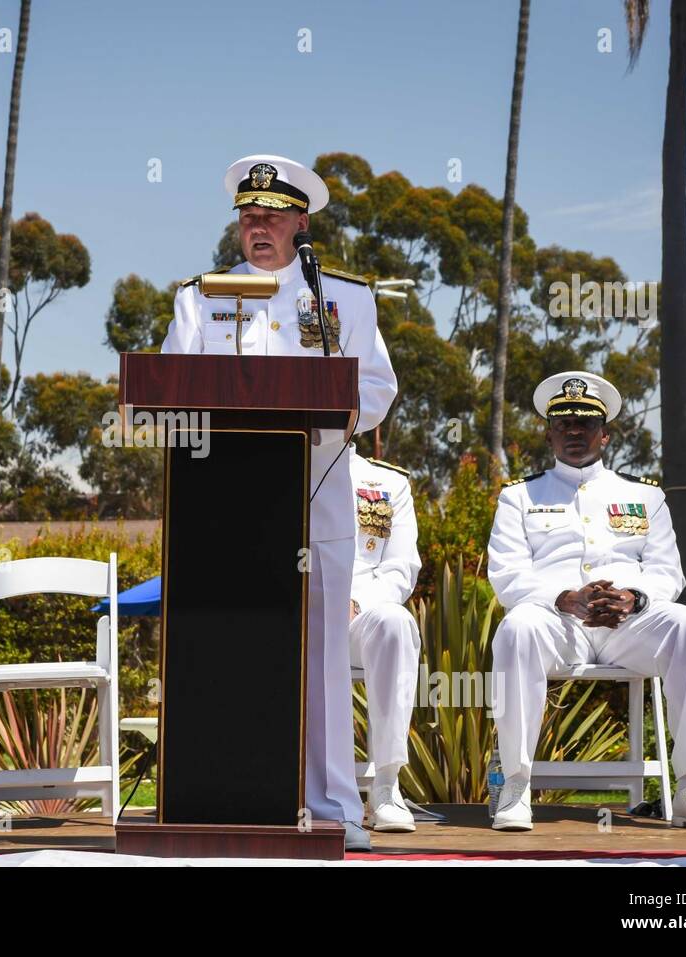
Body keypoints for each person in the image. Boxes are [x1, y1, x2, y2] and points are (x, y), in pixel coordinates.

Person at [161, 155, 399, 850]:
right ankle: (221, 794)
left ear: (301, 222)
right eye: (247, 215)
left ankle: (334, 807)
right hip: (220, 510)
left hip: (314, 499)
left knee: (322, 656)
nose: (257, 226)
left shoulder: (344, 299)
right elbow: (175, 387)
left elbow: (377, 388)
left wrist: (330, 418)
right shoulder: (198, 297)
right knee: (221, 641)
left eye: (270, 215)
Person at [486, 370, 686, 832]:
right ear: (549, 433)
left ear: (605, 432)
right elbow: (506, 575)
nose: (574, 433)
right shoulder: (519, 496)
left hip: (629, 627)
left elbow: (667, 572)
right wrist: (565, 597)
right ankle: (518, 786)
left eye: (584, 424)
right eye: (564, 425)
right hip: (557, 623)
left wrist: (633, 599)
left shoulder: (644, 495)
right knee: (517, 626)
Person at [348, 455, 422, 832]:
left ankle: (386, 786)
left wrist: (357, 603)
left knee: (396, 622)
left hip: (358, 616)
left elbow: (400, 567)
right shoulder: (280, 463)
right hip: (295, 614)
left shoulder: (385, 481)